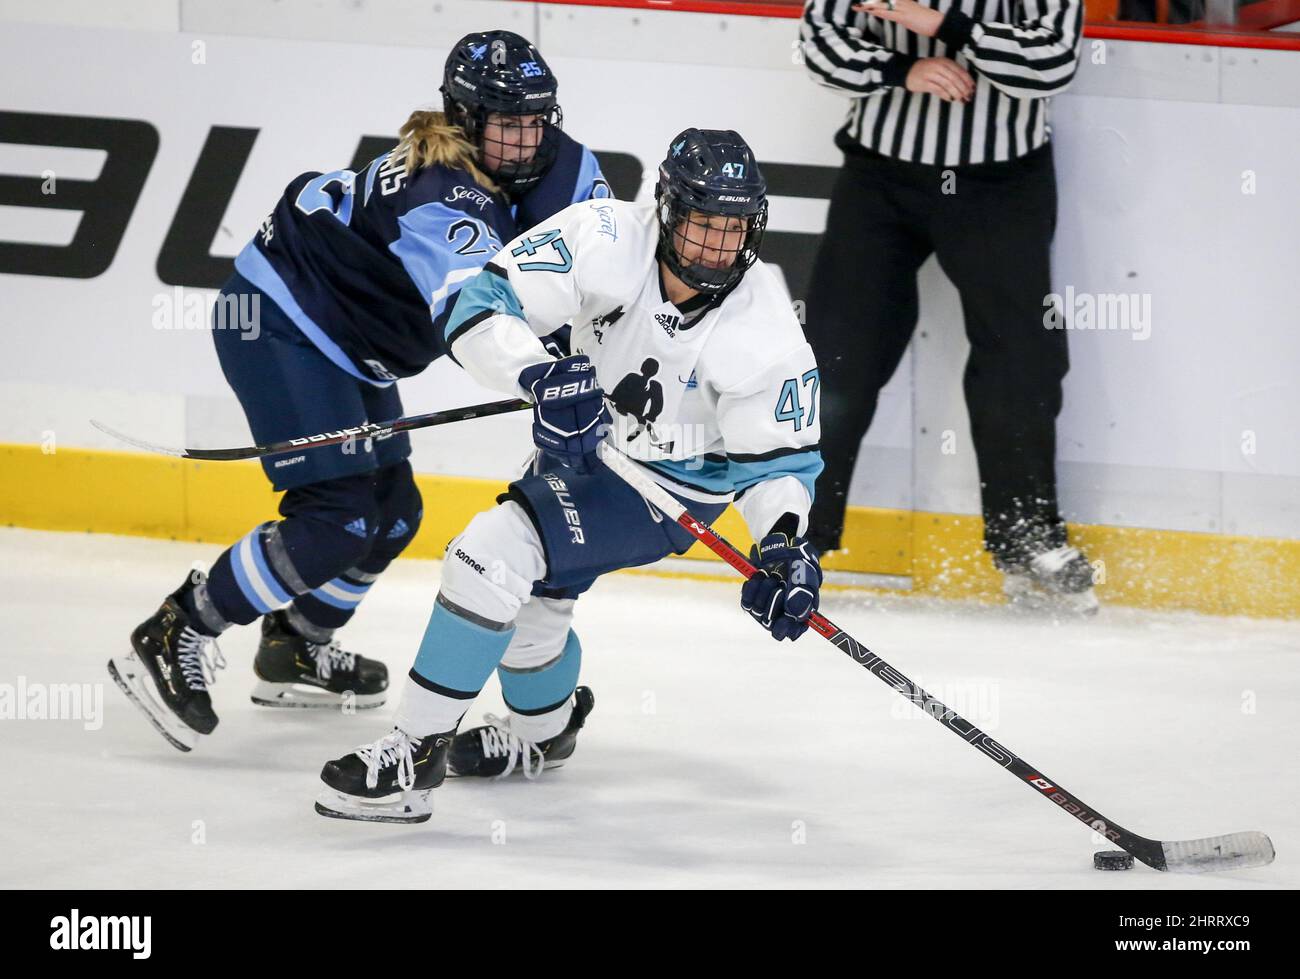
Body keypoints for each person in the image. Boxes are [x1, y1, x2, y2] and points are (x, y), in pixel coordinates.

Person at [109, 30, 609, 752]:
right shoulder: (442, 195)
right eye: (508, 123)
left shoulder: (568, 166)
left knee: (395, 513)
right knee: (336, 519)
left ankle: (296, 645)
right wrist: (542, 374)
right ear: (465, 119)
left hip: (352, 349)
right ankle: (177, 627)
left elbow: (599, 276)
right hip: (280, 322)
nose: (527, 140)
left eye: (537, 120)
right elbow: (478, 314)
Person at [313, 129, 825, 824]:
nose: (718, 247)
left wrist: (785, 545)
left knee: (488, 555)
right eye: (704, 224)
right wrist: (540, 375)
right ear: (668, 210)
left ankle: (416, 751)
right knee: (533, 614)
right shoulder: (608, 235)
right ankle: (544, 733)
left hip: (672, 489)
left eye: (735, 228)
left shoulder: (764, 324)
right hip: (588, 445)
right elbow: (481, 302)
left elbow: (780, 464)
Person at [799, 0, 1097, 613]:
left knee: (1022, 361)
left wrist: (947, 27)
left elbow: (1052, 63)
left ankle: (1027, 539)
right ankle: (801, 536)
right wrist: (897, 70)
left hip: (1001, 183)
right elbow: (818, 43)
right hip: (880, 178)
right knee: (836, 358)